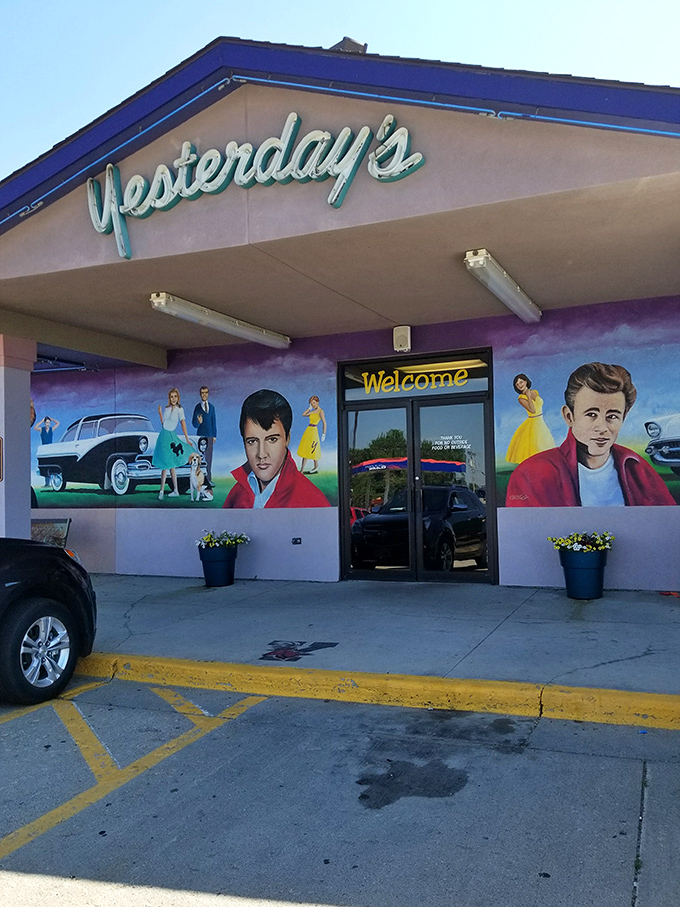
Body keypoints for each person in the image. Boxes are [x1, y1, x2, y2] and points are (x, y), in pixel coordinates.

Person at [506, 362, 676, 507]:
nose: (602, 427)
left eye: (612, 416)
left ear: (623, 419)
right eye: (591, 414)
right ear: (569, 416)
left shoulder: (637, 468)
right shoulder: (530, 475)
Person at [223, 389, 330, 508]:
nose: (261, 454)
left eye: (272, 439)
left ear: (287, 438)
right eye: (252, 441)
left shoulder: (312, 500)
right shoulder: (237, 493)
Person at [153, 388, 193, 500]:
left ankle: (173, 490)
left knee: (170, 465)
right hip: (163, 436)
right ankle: (163, 491)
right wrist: (160, 413)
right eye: (171, 397)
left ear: (178, 398)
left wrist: (187, 438)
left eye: (175, 396)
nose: (173, 398)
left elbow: (183, 423)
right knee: (166, 465)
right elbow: (163, 423)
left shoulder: (180, 410)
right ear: (169, 398)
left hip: (171, 436)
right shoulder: (167, 409)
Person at [505, 374, 555, 464]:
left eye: (521, 382)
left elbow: (539, 403)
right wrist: (528, 396)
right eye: (517, 384)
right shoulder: (521, 398)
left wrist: (530, 394)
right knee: (533, 444)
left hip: (540, 420)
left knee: (543, 442)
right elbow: (532, 410)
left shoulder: (535, 392)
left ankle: (545, 463)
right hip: (533, 421)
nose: (520, 385)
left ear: (526, 381)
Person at [191, 385, 217, 486]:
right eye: (202, 393)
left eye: (206, 392)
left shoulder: (212, 407)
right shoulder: (197, 407)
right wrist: (198, 422)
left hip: (210, 436)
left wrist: (214, 435)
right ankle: (199, 480)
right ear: (200, 394)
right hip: (200, 437)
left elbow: (213, 422)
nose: (204, 395)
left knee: (209, 458)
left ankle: (208, 479)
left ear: (208, 394)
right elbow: (194, 424)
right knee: (200, 459)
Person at [297, 395, 327, 474]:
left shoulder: (321, 411)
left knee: (313, 448)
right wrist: (309, 408)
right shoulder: (313, 411)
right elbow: (304, 414)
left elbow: (324, 423)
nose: (313, 405)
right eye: (311, 403)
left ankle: (315, 466)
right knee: (306, 448)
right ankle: (303, 469)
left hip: (314, 431)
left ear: (317, 402)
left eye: (314, 403)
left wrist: (323, 434)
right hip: (308, 430)